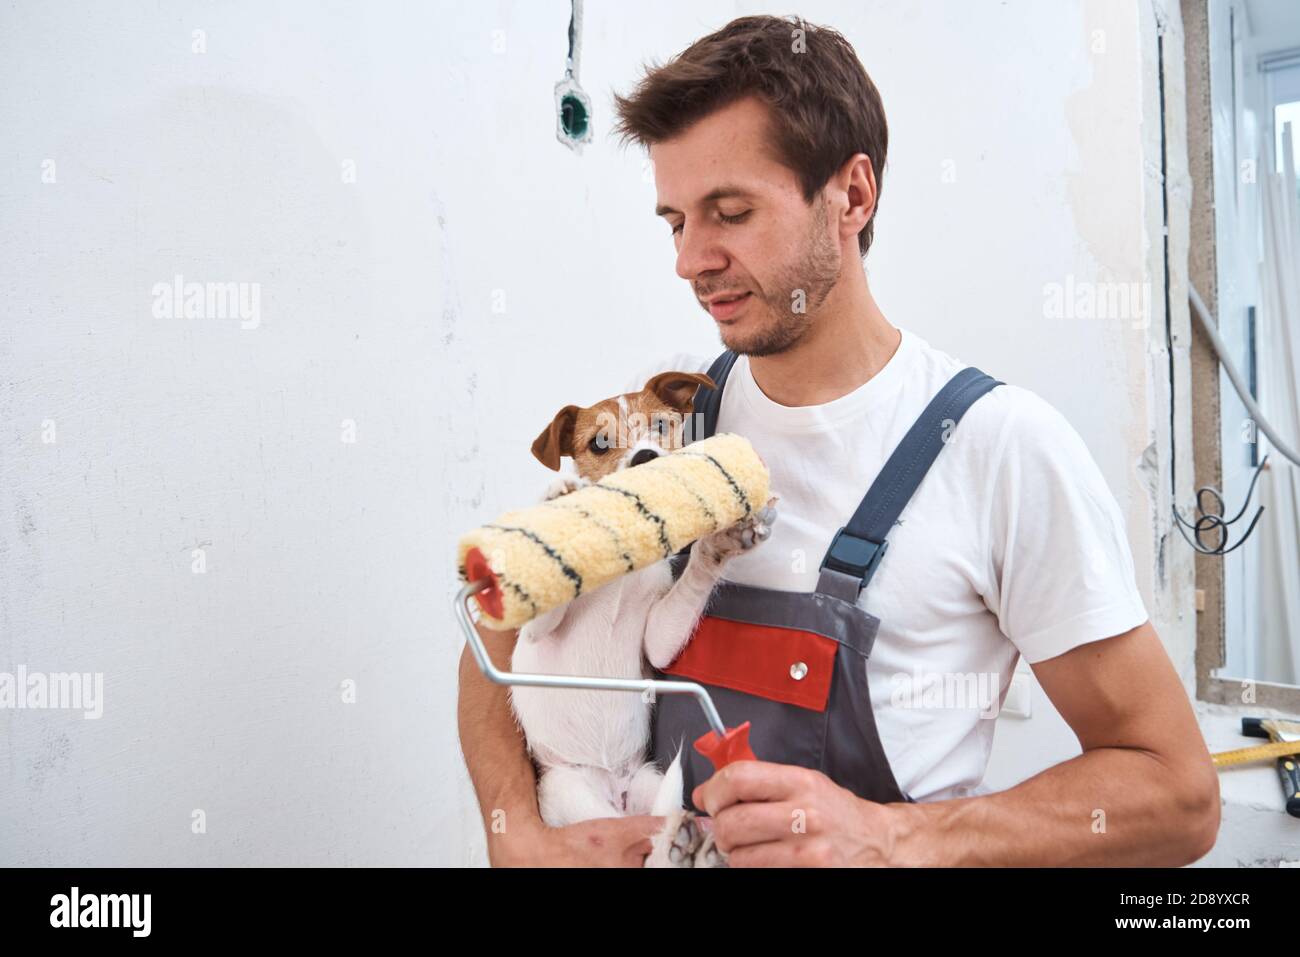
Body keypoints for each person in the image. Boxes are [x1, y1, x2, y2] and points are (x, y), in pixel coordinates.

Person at [457, 13, 1219, 867]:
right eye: (675, 222)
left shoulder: (999, 449)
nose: (690, 259)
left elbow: (1178, 795)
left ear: (852, 197)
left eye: (731, 212)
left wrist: (890, 835)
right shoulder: (669, 418)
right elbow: (493, 621)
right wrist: (516, 834)